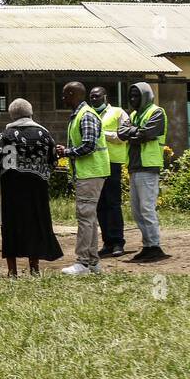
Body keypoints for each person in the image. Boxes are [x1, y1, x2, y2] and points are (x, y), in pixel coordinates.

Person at [0, 99, 62, 276]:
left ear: (12, 115)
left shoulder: (6, 134)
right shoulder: (44, 134)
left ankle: (12, 270)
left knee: (12, 225)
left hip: (12, 187)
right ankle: (34, 267)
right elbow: (53, 160)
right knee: (35, 223)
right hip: (37, 187)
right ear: (31, 113)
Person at [57, 81, 109, 275]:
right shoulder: (81, 114)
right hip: (90, 173)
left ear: (73, 94)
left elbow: (89, 146)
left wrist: (66, 152)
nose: (62, 98)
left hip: (90, 173)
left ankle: (83, 262)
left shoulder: (85, 115)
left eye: (65, 94)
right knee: (89, 218)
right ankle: (93, 262)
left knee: (85, 218)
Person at [116, 81, 172, 263]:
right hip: (134, 166)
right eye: (131, 96)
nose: (133, 99)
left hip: (148, 166)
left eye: (137, 96)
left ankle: (154, 246)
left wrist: (133, 132)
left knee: (146, 208)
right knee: (137, 210)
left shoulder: (157, 112)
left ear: (146, 96)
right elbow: (121, 132)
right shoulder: (134, 114)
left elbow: (146, 134)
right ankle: (148, 245)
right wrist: (135, 132)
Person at [90, 86, 129, 257]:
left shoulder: (118, 112)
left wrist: (101, 133)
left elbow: (123, 136)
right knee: (100, 205)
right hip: (95, 164)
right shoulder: (89, 114)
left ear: (105, 97)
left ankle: (118, 242)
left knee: (113, 204)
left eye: (97, 96)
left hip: (112, 163)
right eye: (91, 97)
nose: (94, 99)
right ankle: (107, 242)